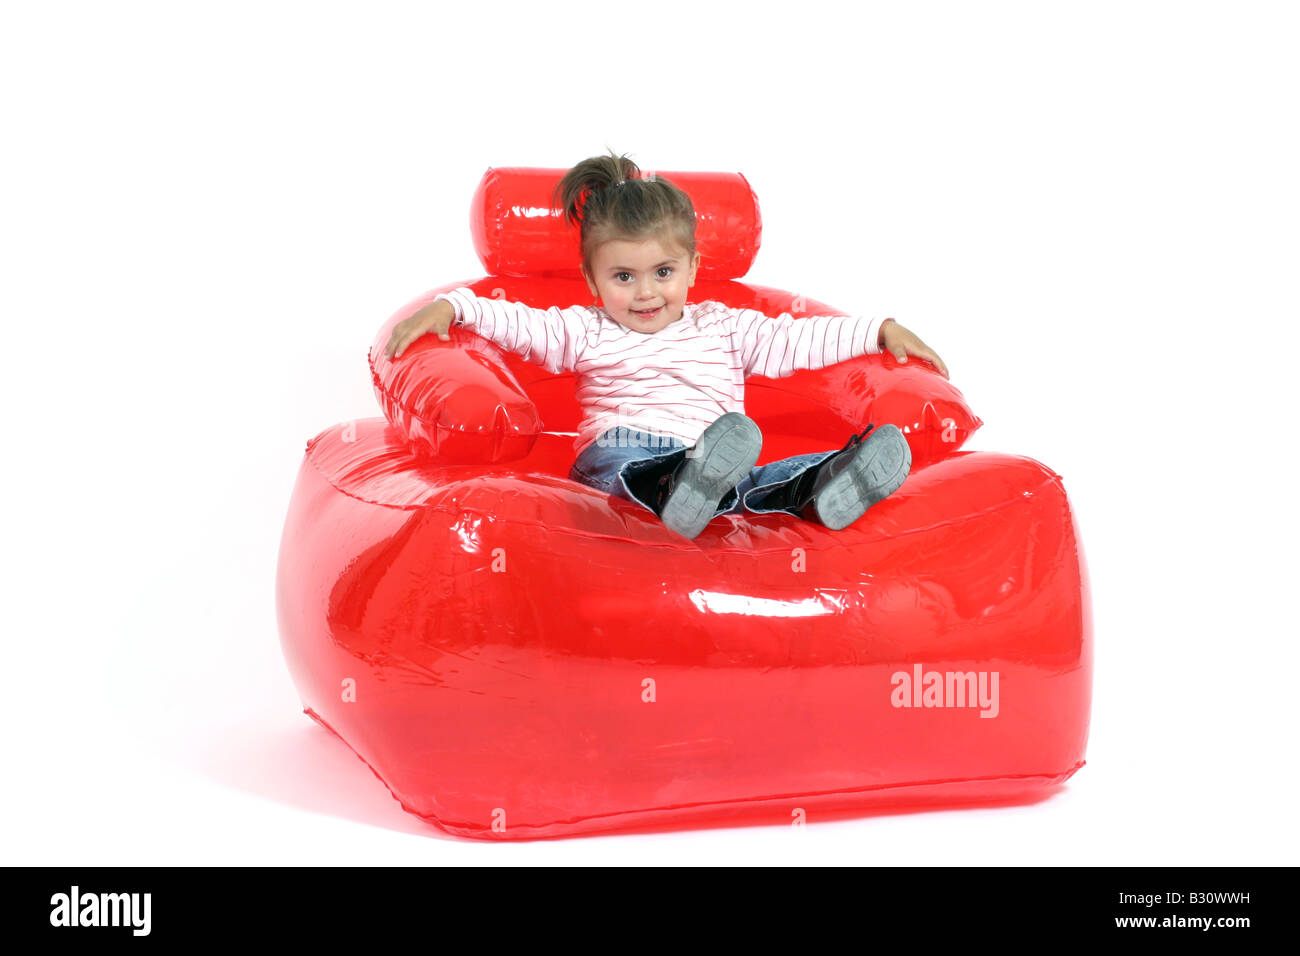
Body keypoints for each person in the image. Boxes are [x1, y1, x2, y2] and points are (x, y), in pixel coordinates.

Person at [385, 149, 949, 540]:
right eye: (622, 277)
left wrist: (877, 329)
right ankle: (676, 488)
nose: (645, 293)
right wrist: (454, 306)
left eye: (662, 271)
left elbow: (795, 339)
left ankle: (830, 480)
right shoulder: (585, 328)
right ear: (592, 280)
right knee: (640, 467)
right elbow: (519, 324)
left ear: (692, 267)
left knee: (753, 480)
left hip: (716, 460)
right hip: (621, 452)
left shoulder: (726, 325)